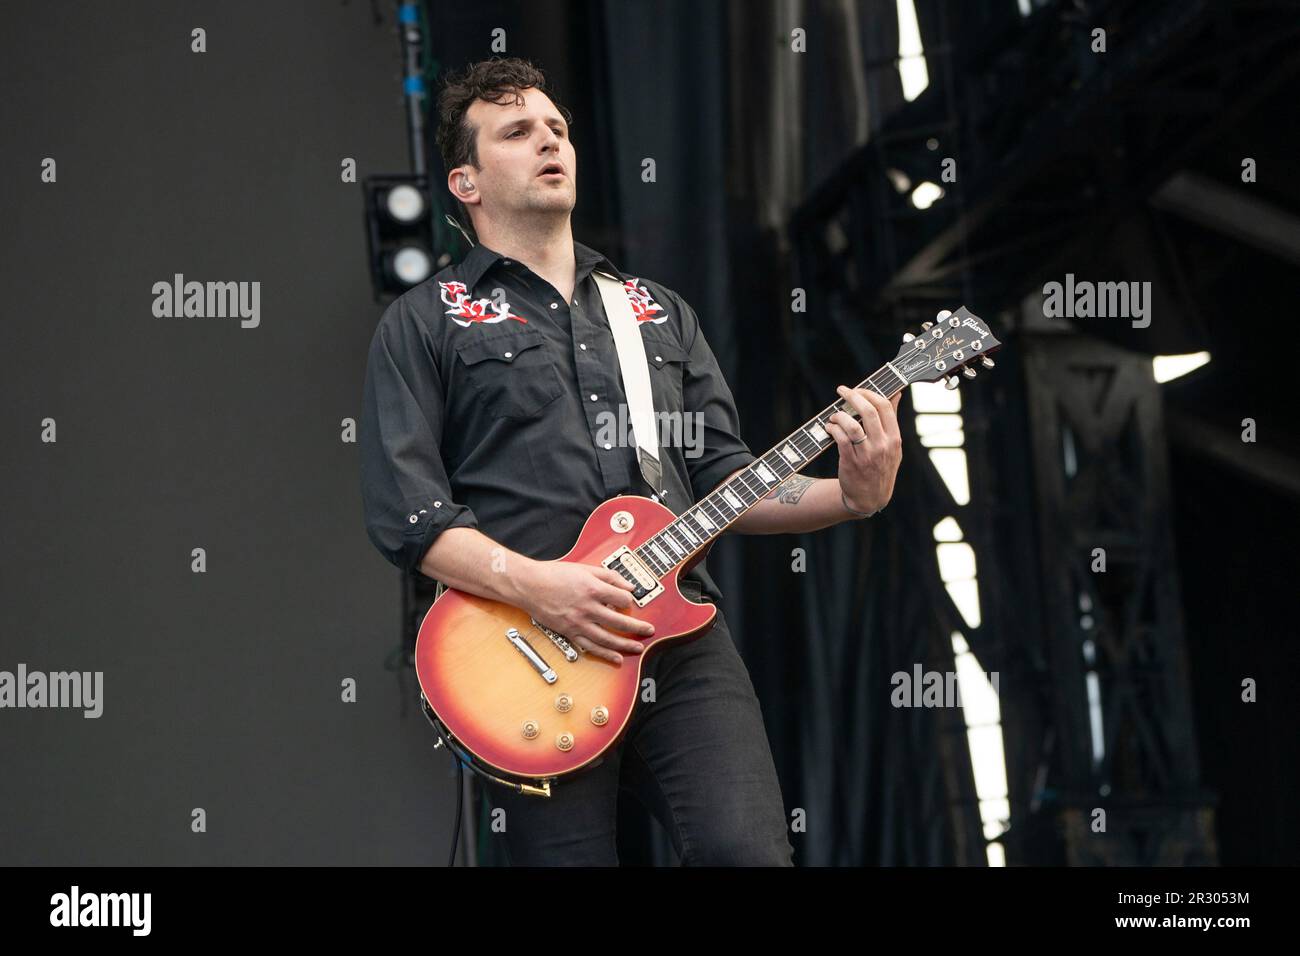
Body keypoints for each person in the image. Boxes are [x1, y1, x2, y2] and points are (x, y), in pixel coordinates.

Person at [359, 57, 902, 865]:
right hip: (524, 654)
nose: (550, 142)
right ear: (465, 183)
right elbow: (408, 515)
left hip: (678, 643)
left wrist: (850, 495)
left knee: (747, 854)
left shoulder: (655, 311)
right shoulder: (426, 320)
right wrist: (541, 585)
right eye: (517, 132)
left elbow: (728, 479)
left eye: (557, 129)